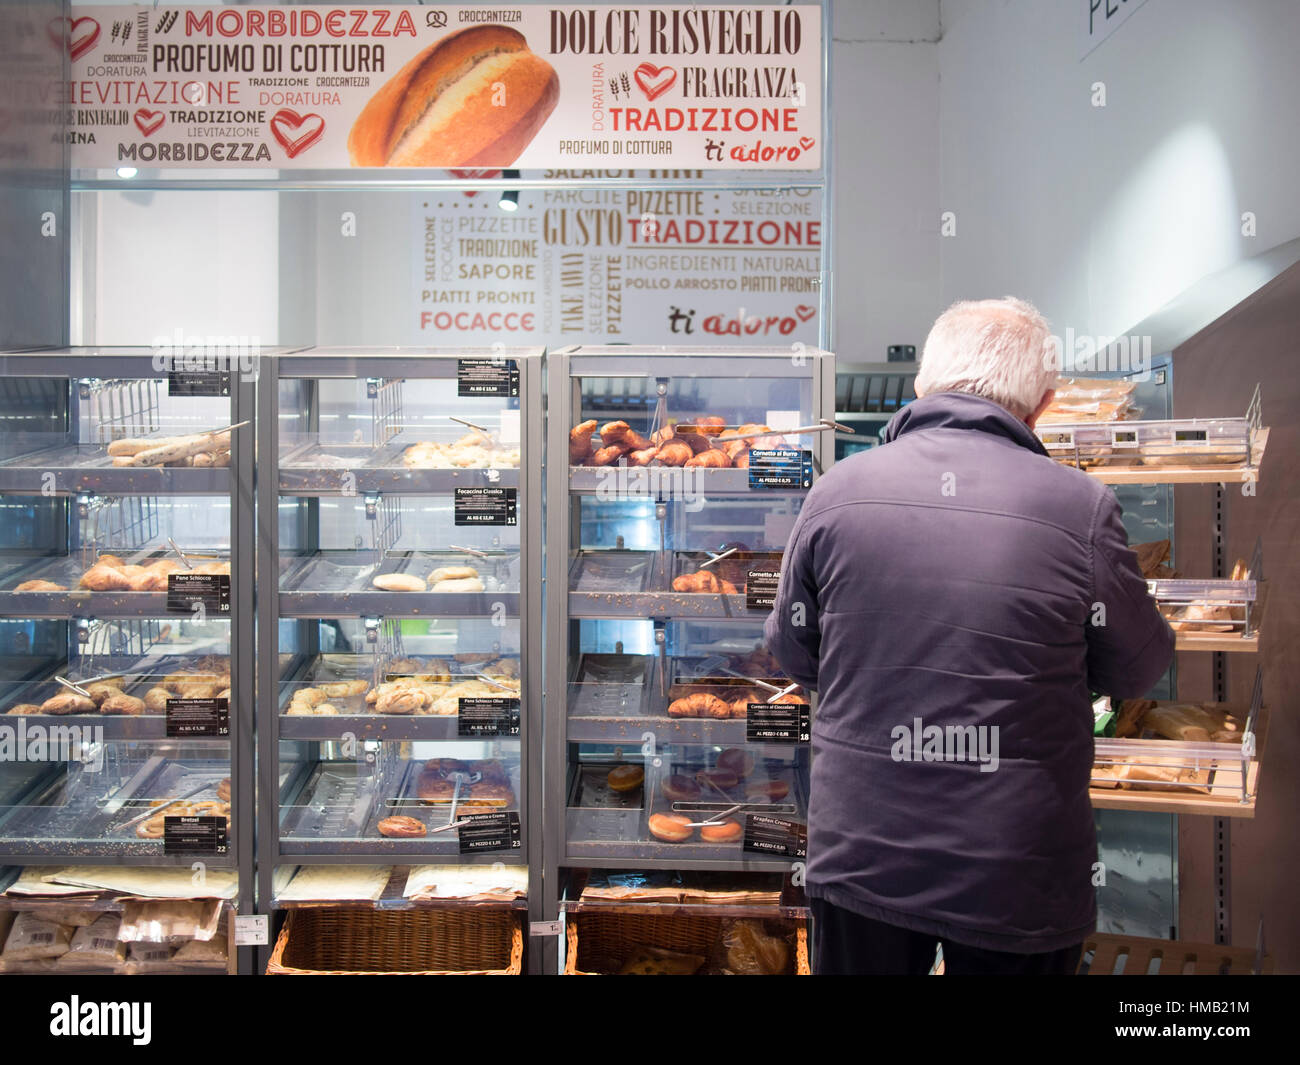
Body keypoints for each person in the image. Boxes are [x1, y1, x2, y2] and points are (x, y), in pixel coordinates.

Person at [765, 297, 1175, 975]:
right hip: (1017, 871)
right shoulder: (1082, 508)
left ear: (922, 385)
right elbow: (1138, 667)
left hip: (862, 855)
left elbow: (793, 653)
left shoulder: (835, 493)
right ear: (1042, 404)